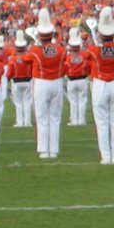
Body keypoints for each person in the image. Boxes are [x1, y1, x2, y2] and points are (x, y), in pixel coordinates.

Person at [85, 7, 114, 164]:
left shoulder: (92, 49)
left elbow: (86, 61)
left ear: (100, 33)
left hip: (100, 84)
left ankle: (106, 156)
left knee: (102, 122)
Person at [26, 8, 65, 159]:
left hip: (41, 83)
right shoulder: (61, 50)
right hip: (57, 82)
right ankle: (53, 149)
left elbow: (25, 59)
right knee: (55, 117)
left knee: (41, 117)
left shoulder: (35, 50)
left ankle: (43, 149)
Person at [63, 27, 90, 126]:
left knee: (73, 101)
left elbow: (64, 69)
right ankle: (81, 120)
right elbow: (88, 66)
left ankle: (74, 120)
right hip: (82, 80)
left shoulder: (67, 57)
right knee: (82, 101)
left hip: (71, 80)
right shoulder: (85, 55)